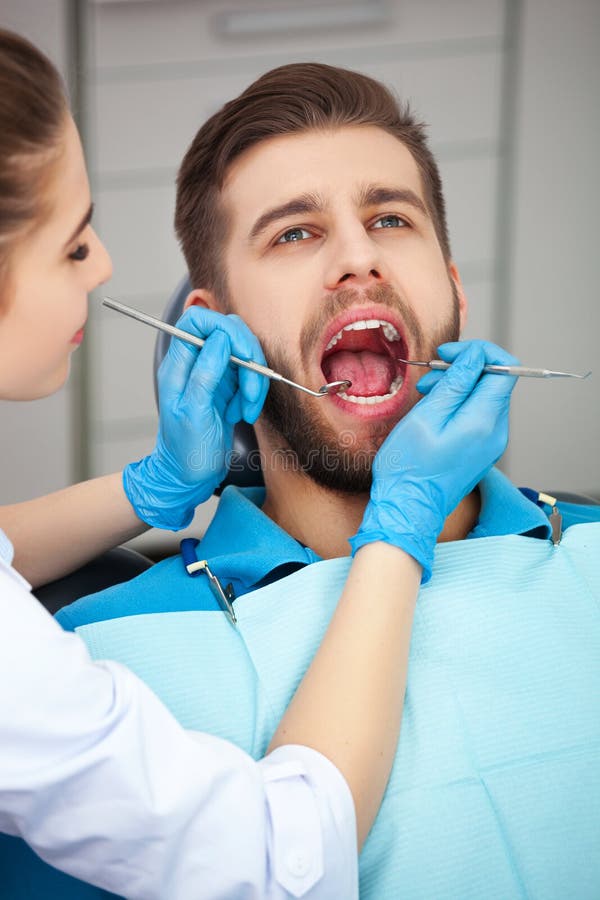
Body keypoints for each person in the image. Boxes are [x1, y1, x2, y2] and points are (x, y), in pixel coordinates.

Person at [50, 63, 600, 899]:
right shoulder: (88, 668)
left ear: (452, 293)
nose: (358, 258)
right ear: (210, 333)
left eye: (389, 218)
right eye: (295, 234)